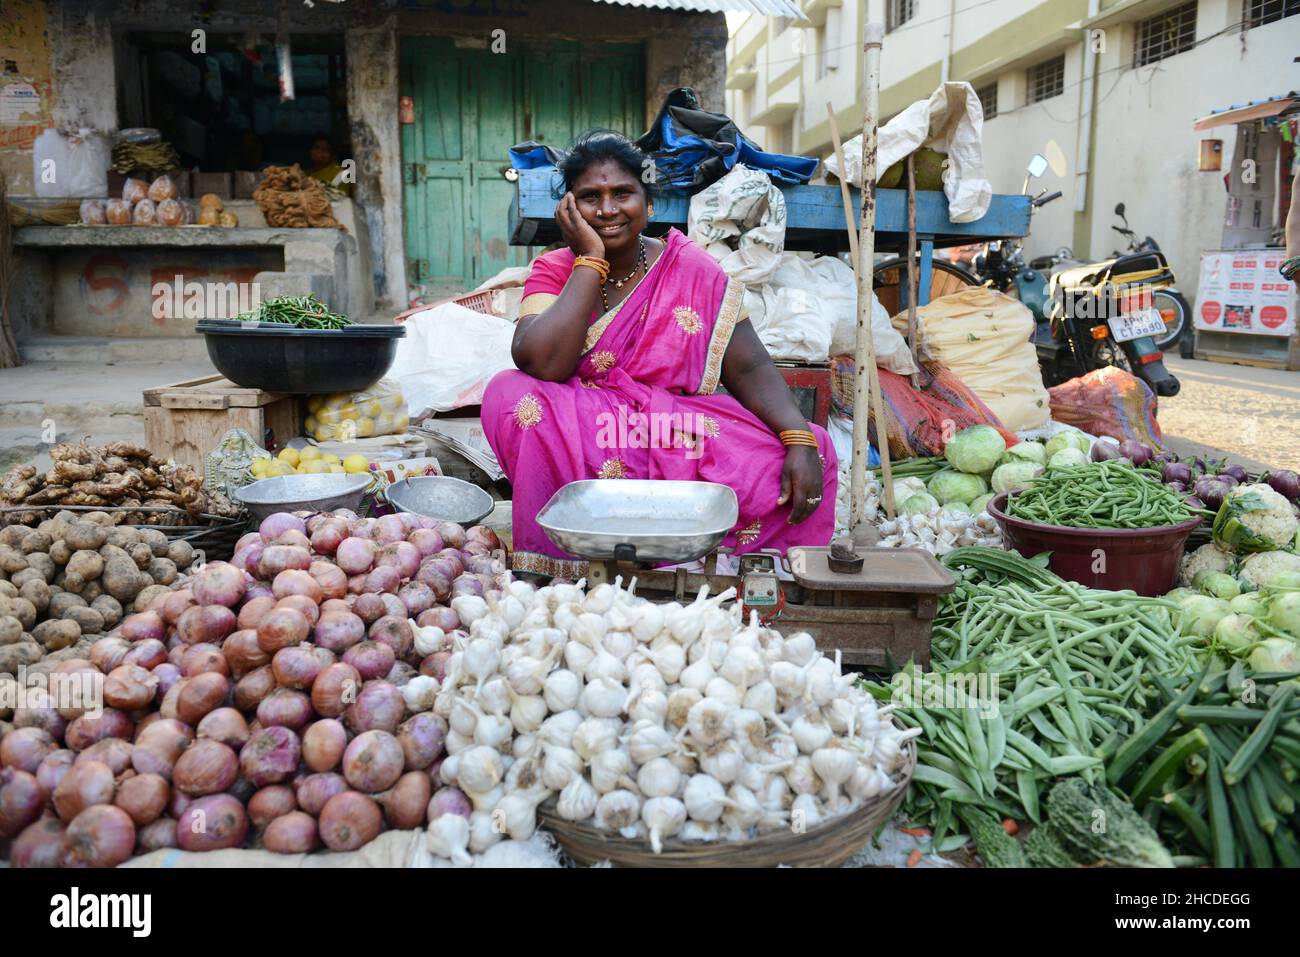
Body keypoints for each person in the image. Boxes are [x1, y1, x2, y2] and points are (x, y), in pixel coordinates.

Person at [482, 131, 837, 579]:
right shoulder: (554, 269)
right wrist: (589, 260)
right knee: (509, 393)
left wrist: (798, 438)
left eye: (623, 194)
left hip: (673, 432)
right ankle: (572, 553)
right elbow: (540, 363)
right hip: (591, 433)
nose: (608, 209)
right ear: (569, 209)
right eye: (591, 197)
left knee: (814, 446)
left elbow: (749, 365)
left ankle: (710, 556)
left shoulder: (689, 266)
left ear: (647, 203)